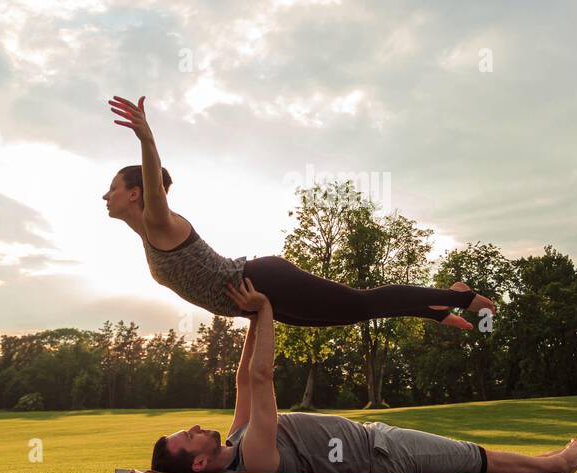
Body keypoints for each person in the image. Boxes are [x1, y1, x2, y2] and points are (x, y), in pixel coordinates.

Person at [104, 94, 496, 329]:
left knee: (359, 302)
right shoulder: (150, 236)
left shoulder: (159, 224)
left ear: (136, 194)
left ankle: (463, 297)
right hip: (259, 303)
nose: (105, 197)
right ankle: (437, 310)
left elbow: (156, 187)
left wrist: (147, 137)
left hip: (263, 280)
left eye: (113, 189)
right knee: (353, 313)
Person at [150, 280, 577, 473]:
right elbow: (263, 378)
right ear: (200, 463)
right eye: (186, 437)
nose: (192, 427)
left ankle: (546, 459)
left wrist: (249, 319)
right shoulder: (255, 456)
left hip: (372, 437)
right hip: (381, 456)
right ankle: (557, 465)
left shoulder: (238, 436)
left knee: (471, 454)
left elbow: (245, 381)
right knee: (474, 458)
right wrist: (265, 310)